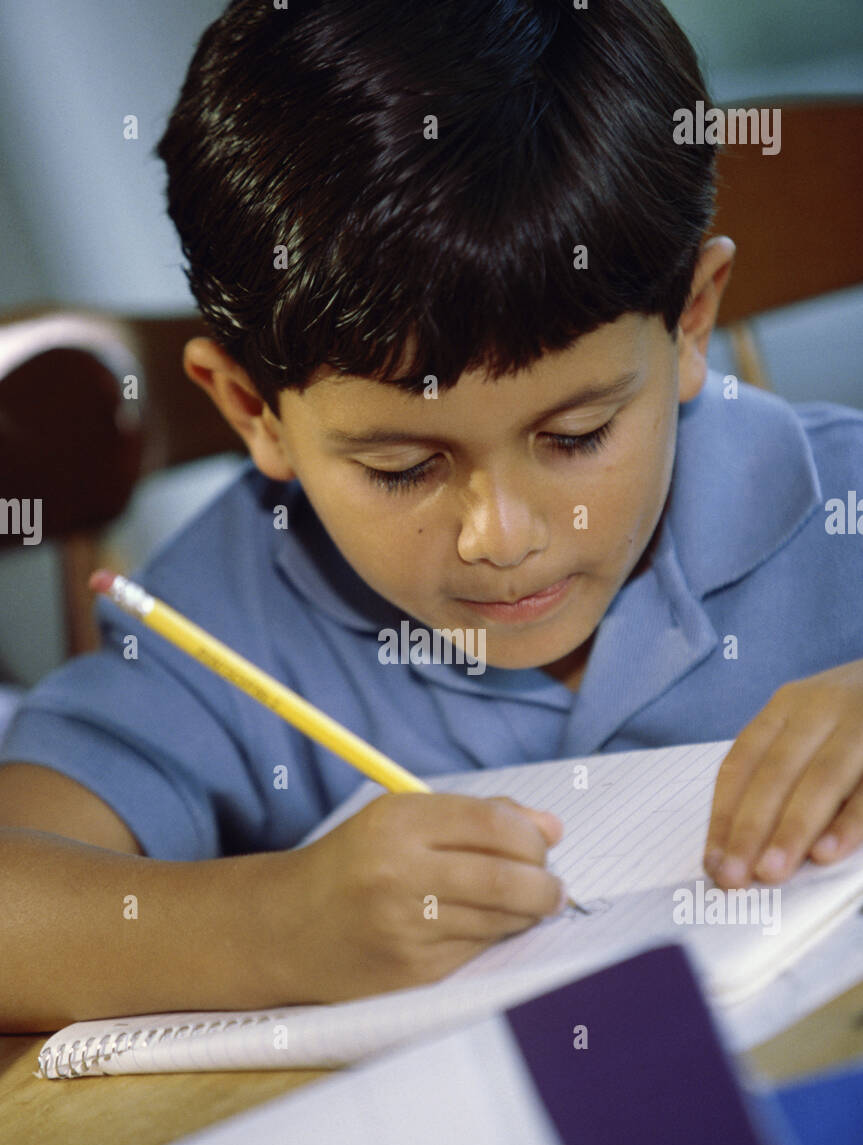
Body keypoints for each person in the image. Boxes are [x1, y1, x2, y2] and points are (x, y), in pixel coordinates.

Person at [2, 0, 862, 1031]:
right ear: (249, 410)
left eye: (578, 434)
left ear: (688, 322)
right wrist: (273, 925)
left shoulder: (835, 508)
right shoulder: (234, 612)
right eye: (402, 466)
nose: (500, 535)